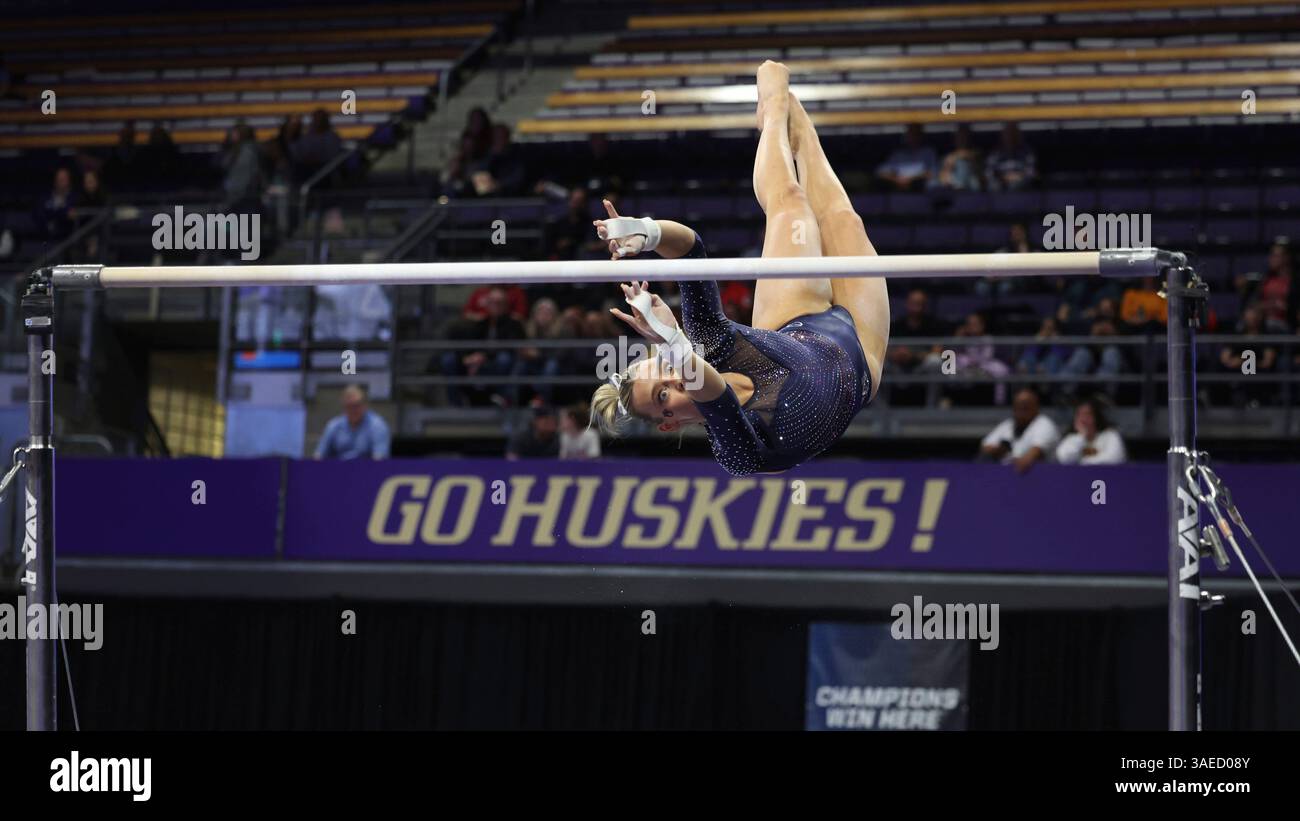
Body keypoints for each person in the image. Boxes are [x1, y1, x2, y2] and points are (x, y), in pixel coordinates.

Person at [589, 66, 889, 476]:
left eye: (665, 373)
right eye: (663, 397)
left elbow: (692, 252)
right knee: (844, 220)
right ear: (670, 422)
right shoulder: (736, 451)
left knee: (791, 202)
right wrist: (673, 341)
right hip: (859, 354)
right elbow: (718, 399)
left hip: (793, 323)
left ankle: (775, 104)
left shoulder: (708, 342)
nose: (675, 384)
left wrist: (647, 232)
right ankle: (784, 114)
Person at [978, 388, 1059, 474]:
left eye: (1025, 405)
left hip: (1041, 478)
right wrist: (1000, 449)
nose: (1021, 409)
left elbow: (1031, 457)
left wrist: (1012, 459)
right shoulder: (1008, 424)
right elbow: (984, 448)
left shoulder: (1045, 425)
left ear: (1036, 406)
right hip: (1008, 477)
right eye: (1018, 405)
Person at [315, 385, 390, 459]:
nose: (353, 410)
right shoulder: (334, 425)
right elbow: (319, 455)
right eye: (349, 406)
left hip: (366, 469)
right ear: (344, 407)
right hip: (338, 469)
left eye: (356, 405)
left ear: (365, 405)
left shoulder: (377, 426)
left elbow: (379, 458)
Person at [1055, 396, 1126, 465]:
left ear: (1096, 417)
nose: (1083, 419)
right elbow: (1064, 458)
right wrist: (1082, 436)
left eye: (1087, 414)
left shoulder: (1110, 435)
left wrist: (1083, 462)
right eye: (1079, 415)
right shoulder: (1072, 438)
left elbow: (1114, 459)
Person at [875, 123, 937, 192]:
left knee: (932, 184)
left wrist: (910, 180)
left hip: (919, 187)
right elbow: (880, 172)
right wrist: (896, 179)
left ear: (921, 135)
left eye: (916, 134)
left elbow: (932, 173)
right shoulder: (898, 154)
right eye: (910, 133)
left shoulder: (927, 152)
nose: (913, 137)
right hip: (897, 187)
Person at [985, 123, 1036, 192]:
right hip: (1001, 185)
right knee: (993, 185)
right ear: (1003, 135)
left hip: (1021, 185)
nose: (1010, 137)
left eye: (1013, 134)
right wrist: (1003, 178)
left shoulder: (1026, 152)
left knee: (1020, 186)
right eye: (1008, 134)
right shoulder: (995, 153)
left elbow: (1031, 172)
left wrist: (1019, 177)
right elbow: (989, 172)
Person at [935, 124, 982, 191]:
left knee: (963, 165)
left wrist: (958, 156)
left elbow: (979, 170)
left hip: (972, 188)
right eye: (959, 136)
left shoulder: (977, 153)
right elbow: (942, 178)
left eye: (964, 136)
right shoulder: (948, 156)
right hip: (954, 188)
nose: (962, 139)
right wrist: (950, 163)